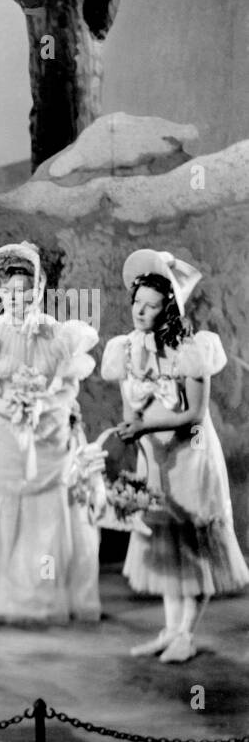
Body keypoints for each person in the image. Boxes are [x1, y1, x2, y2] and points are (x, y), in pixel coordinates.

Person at [101, 250, 248, 662]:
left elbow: (194, 415)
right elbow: (131, 406)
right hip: (154, 457)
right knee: (165, 542)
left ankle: (186, 633)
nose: (140, 312)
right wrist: (132, 432)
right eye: (136, 303)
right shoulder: (128, 349)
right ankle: (170, 629)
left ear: (168, 309)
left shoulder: (191, 350)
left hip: (190, 455)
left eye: (150, 306)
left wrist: (146, 427)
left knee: (194, 541)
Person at [0, 241, 100, 623]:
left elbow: (69, 386)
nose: (17, 298)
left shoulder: (55, 334)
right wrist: (10, 408)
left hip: (46, 433)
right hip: (2, 434)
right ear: (0, 293)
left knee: (45, 509)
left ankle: (39, 594)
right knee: (1, 502)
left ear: (38, 291)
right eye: (10, 292)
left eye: (26, 291)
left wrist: (42, 406)